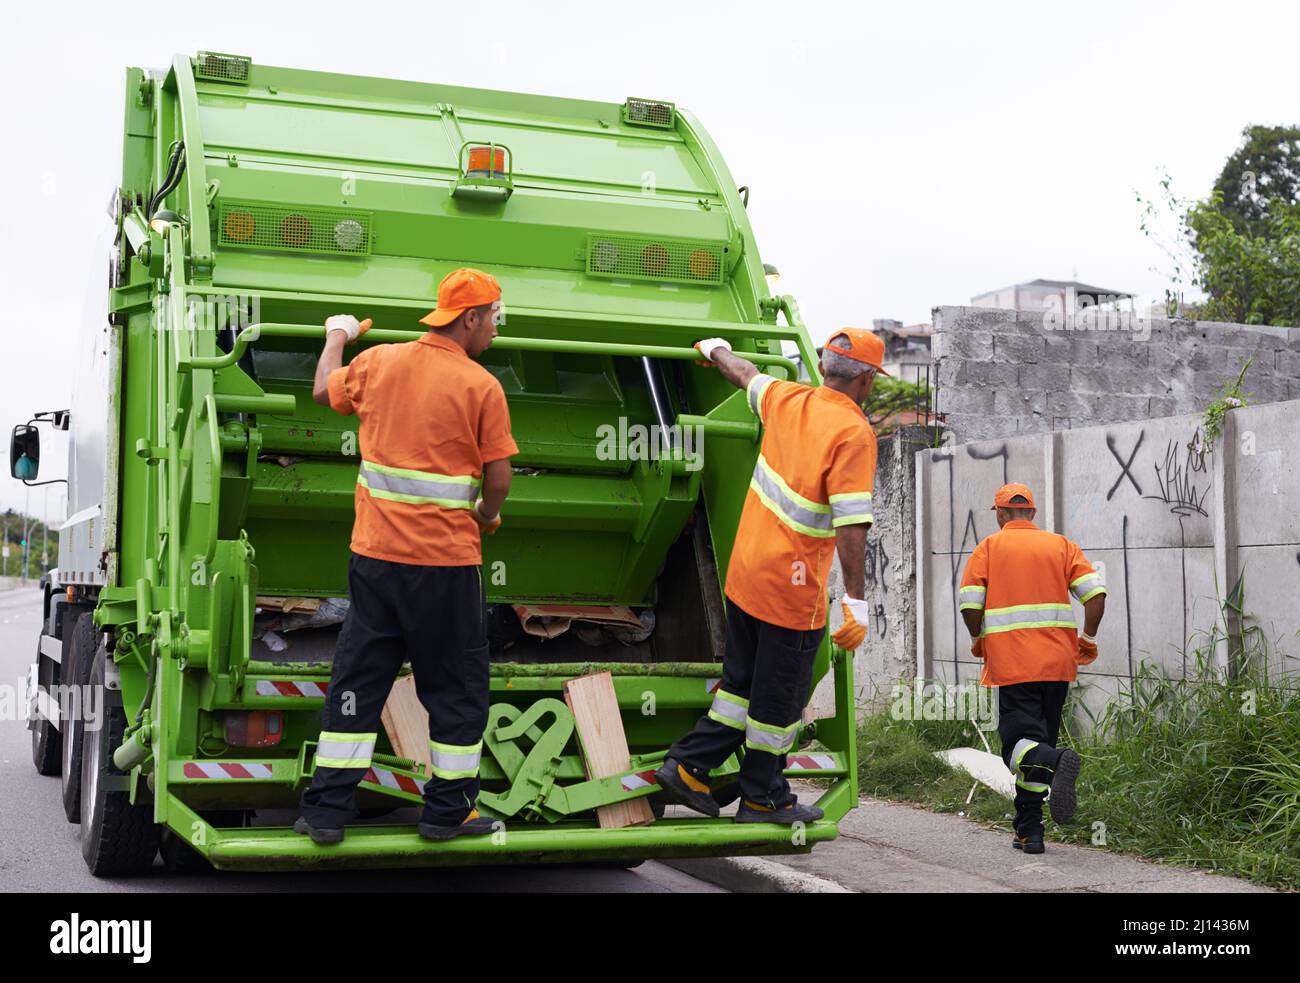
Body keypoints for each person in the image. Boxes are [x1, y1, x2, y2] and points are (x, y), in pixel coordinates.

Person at [295, 267, 516, 843]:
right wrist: (488, 518)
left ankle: (325, 812)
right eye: (495, 316)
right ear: (470, 317)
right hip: (445, 568)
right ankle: (447, 813)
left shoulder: (380, 362)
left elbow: (322, 391)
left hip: (375, 561)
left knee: (359, 678)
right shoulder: (481, 386)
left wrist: (338, 336)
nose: (497, 328)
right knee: (456, 687)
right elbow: (499, 478)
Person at [655, 329, 883, 824]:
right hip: (790, 591)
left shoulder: (786, 399)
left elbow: (744, 373)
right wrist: (857, 602)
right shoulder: (853, 434)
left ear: (824, 369)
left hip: (745, 574)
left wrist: (713, 347)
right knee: (777, 701)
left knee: (740, 688)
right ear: (866, 380)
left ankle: (689, 765)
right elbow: (851, 525)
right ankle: (762, 797)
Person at [958, 483, 1106, 854]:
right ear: (1033, 514)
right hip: (1057, 666)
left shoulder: (988, 548)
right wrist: (1086, 640)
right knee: (1035, 746)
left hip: (1013, 664)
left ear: (1000, 514)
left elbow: (969, 605)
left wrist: (978, 637)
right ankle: (1030, 831)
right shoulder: (1061, 546)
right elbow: (1096, 595)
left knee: (1016, 749)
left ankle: (1058, 761)